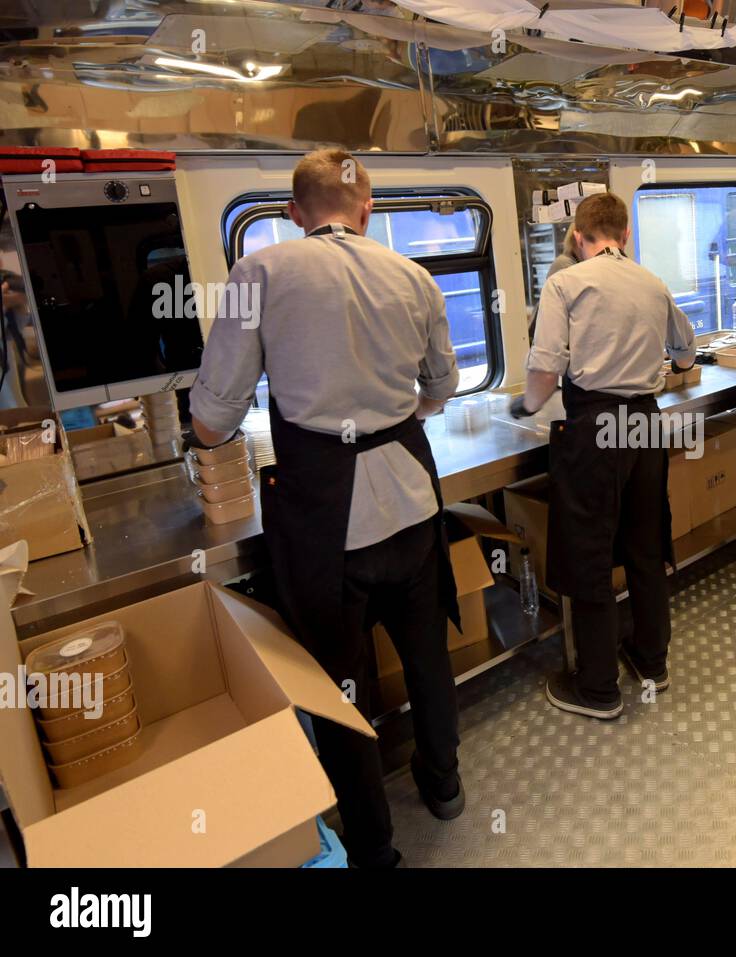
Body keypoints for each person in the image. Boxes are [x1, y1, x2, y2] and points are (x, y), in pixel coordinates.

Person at [190, 149, 464, 869]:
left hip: (322, 517)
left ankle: (373, 846)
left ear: (292, 213)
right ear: (366, 208)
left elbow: (213, 421)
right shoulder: (413, 275)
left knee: (341, 688)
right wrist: (397, 415)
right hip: (409, 495)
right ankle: (445, 786)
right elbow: (442, 385)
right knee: (428, 656)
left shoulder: (260, 272)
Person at [513, 191, 695, 720]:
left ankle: (597, 689)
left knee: (591, 553)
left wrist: (529, 407)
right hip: (643, 421)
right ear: (626, 235)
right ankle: (651, 661)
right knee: (644, 542)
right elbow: (684, 352)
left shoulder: (565, 282)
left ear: (577, 236)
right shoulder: (652, 282)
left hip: (593, 425)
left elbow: (545, 367)